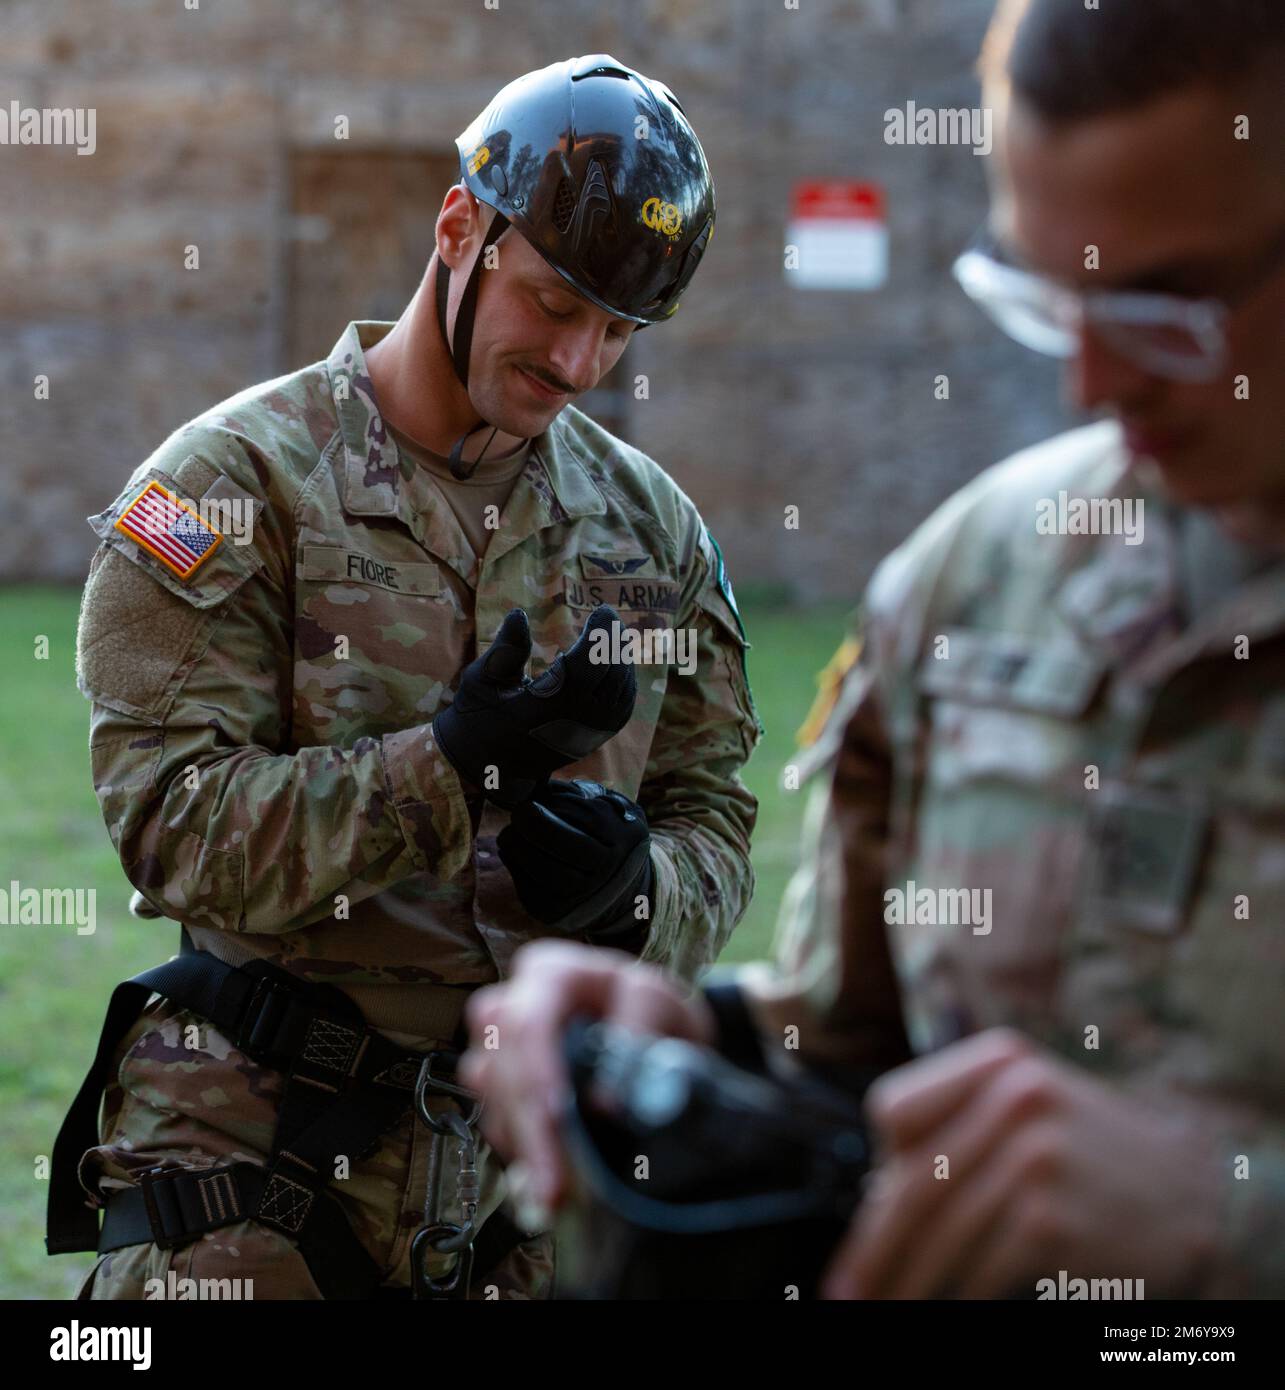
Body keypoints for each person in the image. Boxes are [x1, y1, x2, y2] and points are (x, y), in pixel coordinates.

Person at [461, 0, 1285, 1299]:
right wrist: (689, 1041)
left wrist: (1236, 1212)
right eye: (1049, 292)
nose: (1088, 382)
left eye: (1165, 305)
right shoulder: (984, 572)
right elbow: (850, 1042)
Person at [48, 54, 760, 1300]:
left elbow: (714, 817)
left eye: (618, 329)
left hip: (524, 1178)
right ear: (458, 229)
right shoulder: (226, 489)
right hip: (253, 1159)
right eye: (553, 302)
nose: (581, 362)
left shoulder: (652, 534)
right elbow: (167, 826)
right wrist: (445, 769)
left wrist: (637, 894)